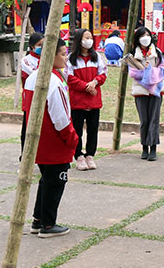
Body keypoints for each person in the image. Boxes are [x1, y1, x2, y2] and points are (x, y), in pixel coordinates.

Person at [26, 37, 79, 238]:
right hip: (54, 142)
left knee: (46, 180)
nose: (66, 59)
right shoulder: (54, 82)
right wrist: (73, 140)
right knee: (56, 181)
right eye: (63, 55)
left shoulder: (33, 77)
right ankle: (48, 224)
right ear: (52, 55)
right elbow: (61, 118)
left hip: (39, 141)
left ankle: (38, 220)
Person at [68, 29, 107, 171]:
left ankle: (90, 155)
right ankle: (78, 156)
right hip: (78, 102)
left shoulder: (97, 57)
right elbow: (70, 79)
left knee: (93, 130)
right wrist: (86, 86)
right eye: (86, 37)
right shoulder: (71, 59)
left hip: (94, 101)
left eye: (90, 37)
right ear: (79, 40)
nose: (89, 40)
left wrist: (95, 82)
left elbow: (103, 73)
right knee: (77, 131)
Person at [126, 26, 164, 161]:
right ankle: (144, 146)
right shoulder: (133, 55)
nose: (146, 38)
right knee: (144, 120)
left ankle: (153, 147)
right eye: (142, 36)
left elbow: (163, 70)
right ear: (137, 39)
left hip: (156, 91)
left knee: (154, 120)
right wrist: (146, 73)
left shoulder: (157, 52)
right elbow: (133, 73)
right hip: (140, 91)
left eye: (147, 35)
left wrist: (150, 72)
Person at [20, 32, 45, 149]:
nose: (42, 48)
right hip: (30, 98)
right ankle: (24, 154)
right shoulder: (25, 60)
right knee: (27, 129)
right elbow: (37, 75)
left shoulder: (48, 58)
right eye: (39, 45)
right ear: (32, 46)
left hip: (45, 99)